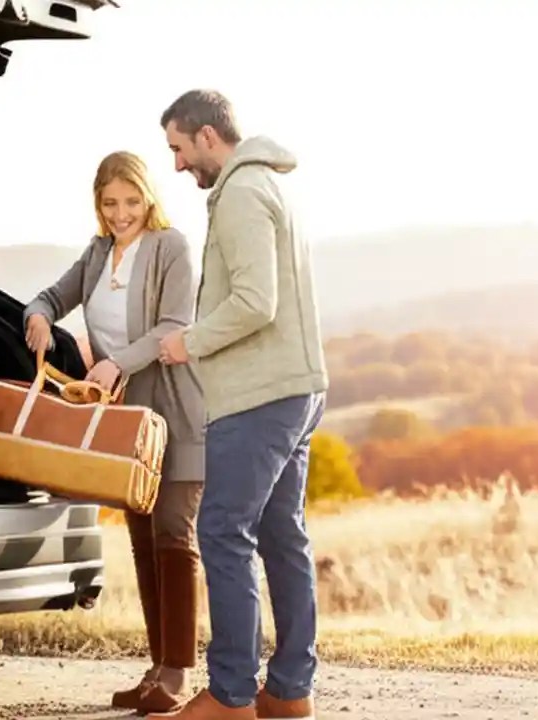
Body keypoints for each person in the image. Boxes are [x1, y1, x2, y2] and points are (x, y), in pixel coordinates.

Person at [150, 89, 329, 720]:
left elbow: (256, 302)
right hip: (296, 389)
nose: (175, 165)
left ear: (206, 137)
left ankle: (229, 697)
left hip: (259, 397)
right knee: (282, 537)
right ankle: (287, 691)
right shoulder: (271, 186)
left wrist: (186, 342)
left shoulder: (242, 193)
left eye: (177, 148)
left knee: (222, 532)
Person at [23, 150, 207, 715]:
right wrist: (36, 315)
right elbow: (53, 297)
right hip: (122, 421)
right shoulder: (99, 252)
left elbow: (175, 326)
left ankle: (178, 670)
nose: (121, 213)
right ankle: (156, 669)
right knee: (143, 537)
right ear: (98, 206)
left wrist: (117, 362)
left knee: (174, 533)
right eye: (110, 203)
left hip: (175, 410)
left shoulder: (171, 246)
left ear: (148, 197)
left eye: (130, 201)